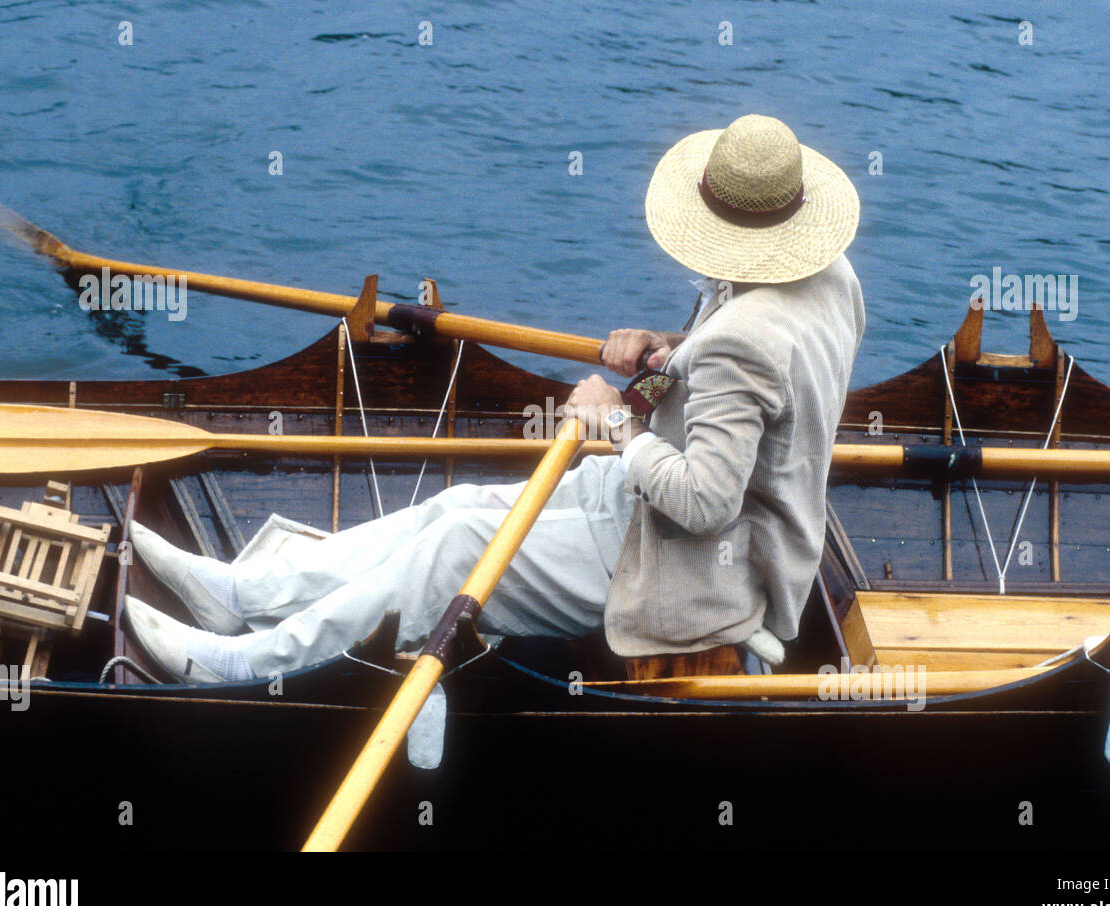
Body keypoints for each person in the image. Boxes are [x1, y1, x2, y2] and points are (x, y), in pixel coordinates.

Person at [124, 113, 865, 683]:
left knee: (454, 552)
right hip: (672, 498)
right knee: (455, 508)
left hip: (697, 562)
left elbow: (704, 501)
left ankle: (253, 663)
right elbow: (758, 376)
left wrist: (615, 421)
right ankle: (245, 593)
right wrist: (669, 348)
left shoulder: (744, 343)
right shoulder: (834, 279)